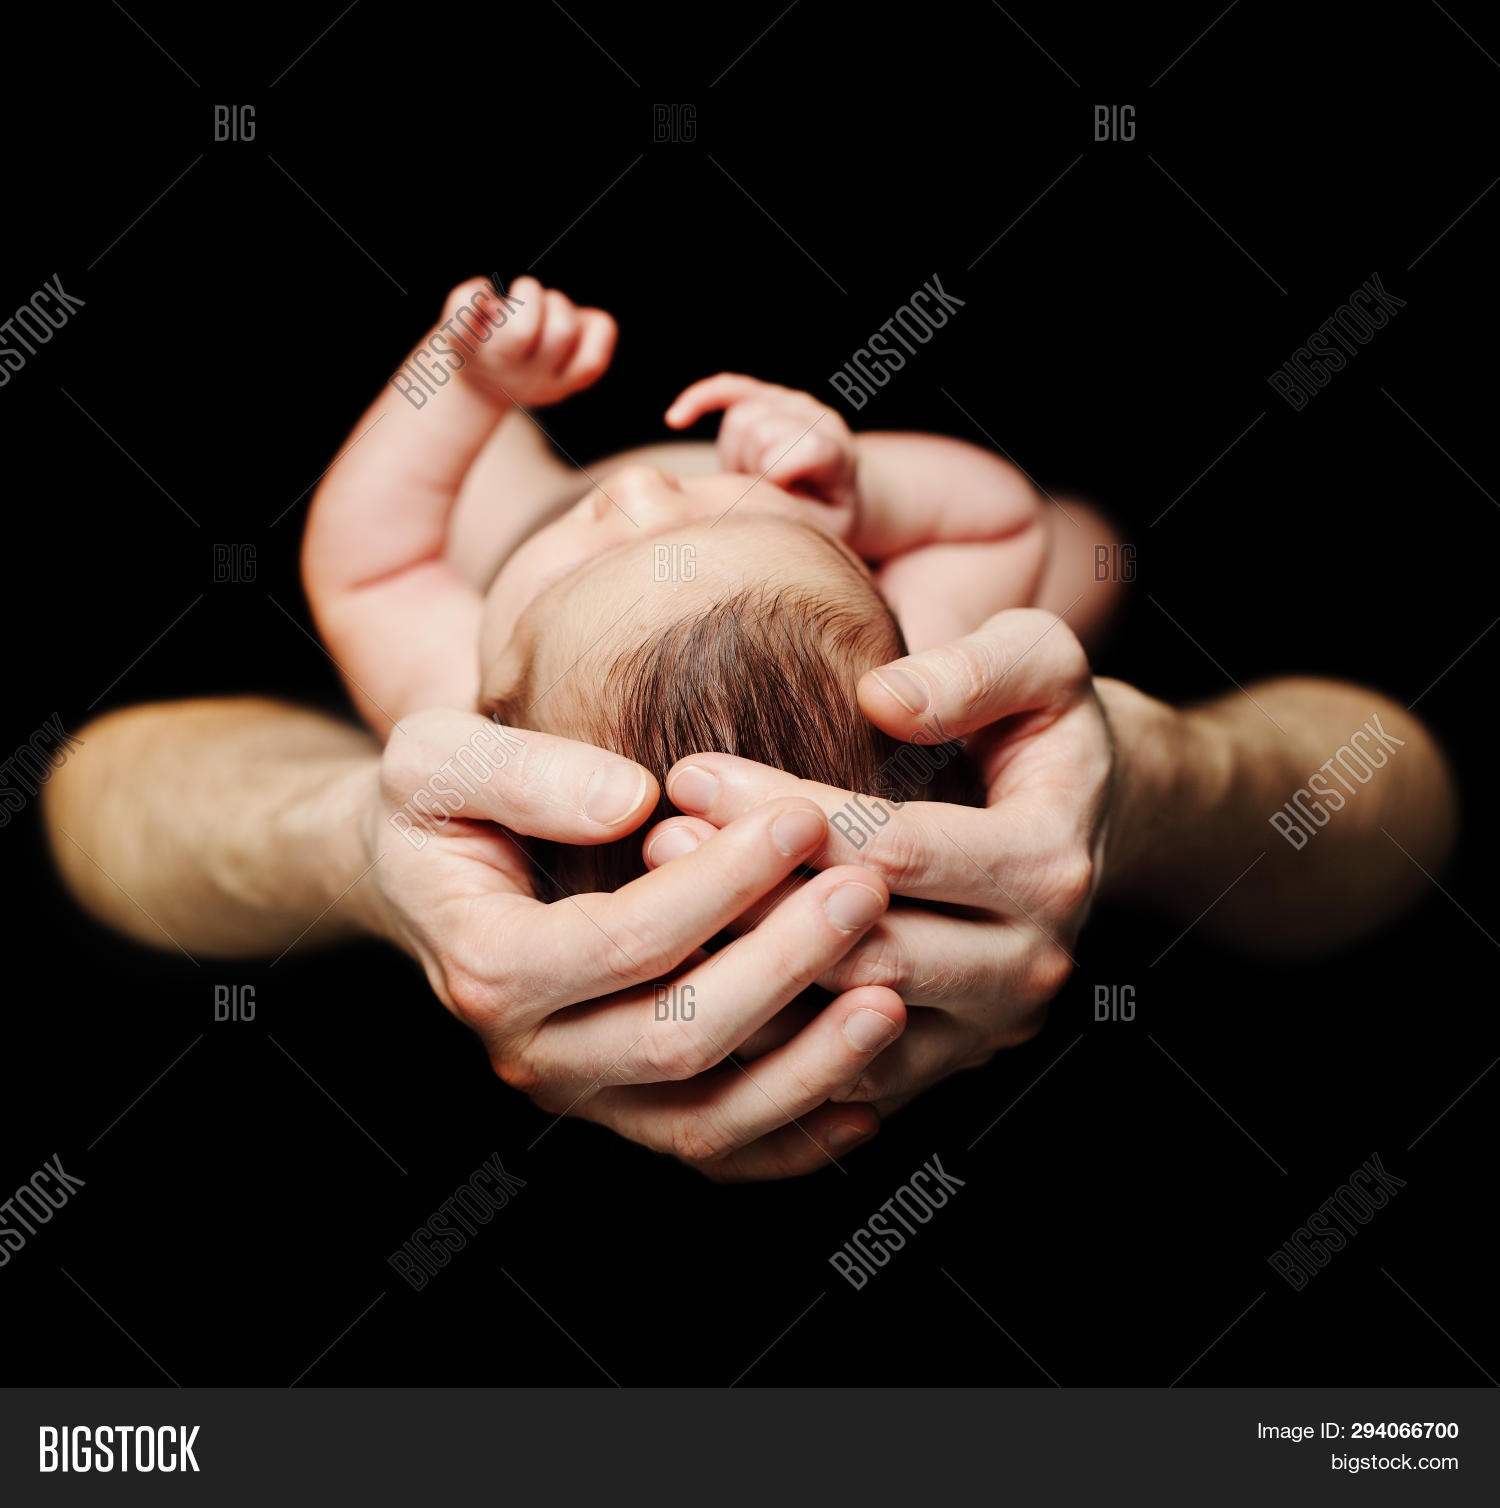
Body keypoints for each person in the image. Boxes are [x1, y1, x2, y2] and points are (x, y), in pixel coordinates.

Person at [43, 280, 1458, 1181]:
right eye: (725, 527)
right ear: (903, 638)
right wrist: (852, 482)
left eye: (603, 553)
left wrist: (460, 388)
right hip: (921, 555)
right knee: (1069, 547)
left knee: (491, 498)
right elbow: (991, 518)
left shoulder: (445, 685)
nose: (648, 503)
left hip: (508, 484)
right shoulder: (908, 612)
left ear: (497, 719)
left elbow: (363, 558)